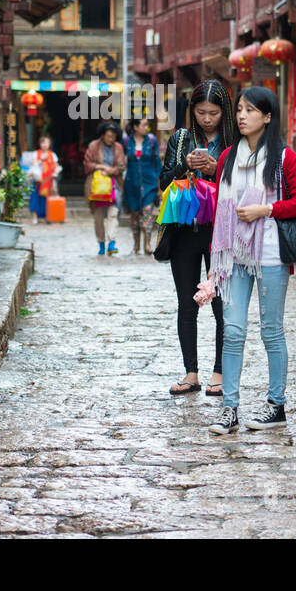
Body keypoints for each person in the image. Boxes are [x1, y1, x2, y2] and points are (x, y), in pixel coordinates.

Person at [201, 85, 296, 434]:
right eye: (239, 110)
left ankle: (276, 405)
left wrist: (267, 209)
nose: (242, 116)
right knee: (232, 331)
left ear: (267, 116)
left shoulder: (284, 158)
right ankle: (229, 409)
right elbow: (222, 212)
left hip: (270, 256)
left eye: (250, 110)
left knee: (271, 332)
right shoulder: (227, 158)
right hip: (234, 258)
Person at [162, 80, 236, 397]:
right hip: (185, 229)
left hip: (221, 233)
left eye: (214, 113)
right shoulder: (180, 139)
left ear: (225, 113)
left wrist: (215, 167)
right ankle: (191, 373)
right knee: (186, 304)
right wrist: (185, 165)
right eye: (201, 112)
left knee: (222, 305)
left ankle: (219, 372)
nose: (207, 119)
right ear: (192, 111)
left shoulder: (235, 141)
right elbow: (163, 180)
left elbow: (245, 184)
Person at [84, 121, 126, 255]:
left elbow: (121, 166)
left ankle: (112, 242)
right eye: (108, 136)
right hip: (97, 187)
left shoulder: (118, 147)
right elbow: (87, 163)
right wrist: (101, 167)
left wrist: (111, 171)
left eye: (113, 136)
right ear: (102, 135)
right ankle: (101, 243)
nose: (111, 139)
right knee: (98, 216)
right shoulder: (93, 146)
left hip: (114, 186)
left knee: (113, 213)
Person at [123, 118, 161, 254]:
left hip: (149, 184)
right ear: (135, 127)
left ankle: (147, 244)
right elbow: (123, 161)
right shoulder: (127, 142)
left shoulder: (151, 141)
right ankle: (136, 245)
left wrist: (158, 181)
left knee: (147, 214)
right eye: (144, 125)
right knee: (134, 216)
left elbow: (157, 161)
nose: (147, 128)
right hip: (131, 184)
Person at [28, 134, 60, 225]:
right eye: (43, 142)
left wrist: (56, 172)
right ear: (40, 144)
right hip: (38, 180)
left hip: (48, 180)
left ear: (49, 144)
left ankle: (44, 216)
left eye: (46, 142)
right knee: (35, 198)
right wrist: (41, 160)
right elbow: (34, 165)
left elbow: (56, 166)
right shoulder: (36, 154)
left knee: (45, 199)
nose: (44, 144)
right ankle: (34, 216)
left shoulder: (52, 155)